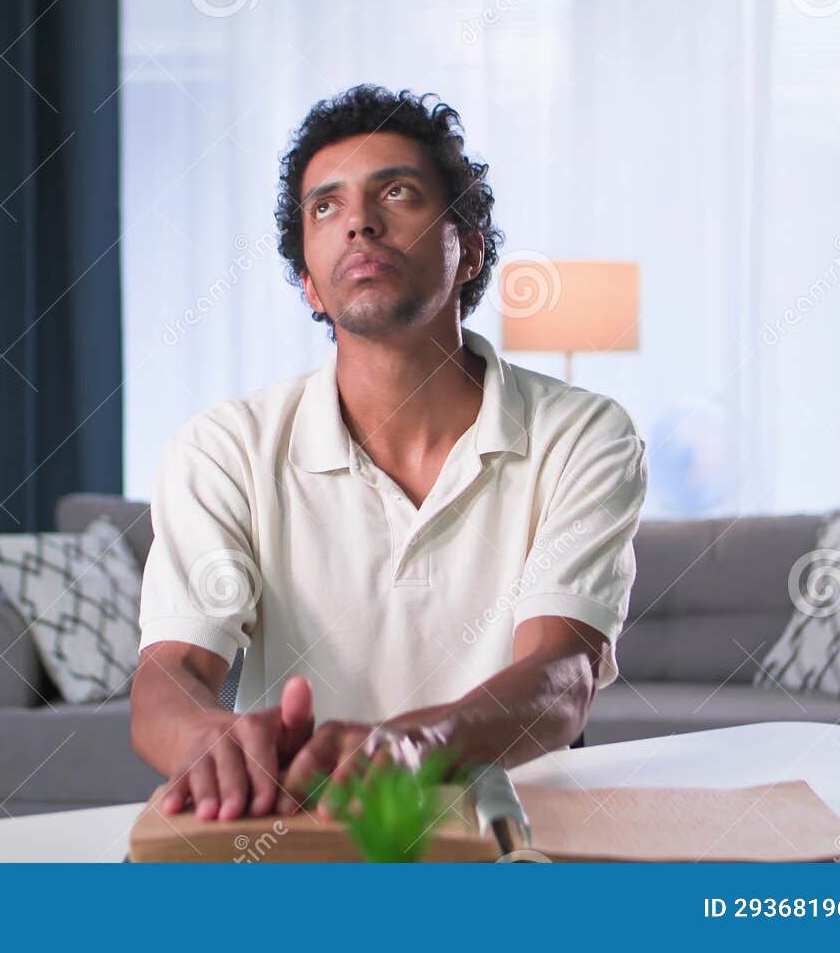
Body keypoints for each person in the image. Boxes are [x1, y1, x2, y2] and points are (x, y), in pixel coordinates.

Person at [129, 84, 646, 822]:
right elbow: (169, 674)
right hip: (297, 835)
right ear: (308, 282)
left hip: (507, 831)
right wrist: (204, 738)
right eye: (325, 207)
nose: (360, 224)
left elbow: (562, 674)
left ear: (468, 251)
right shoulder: (224, 449)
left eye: (396, 192)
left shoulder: (584, 435)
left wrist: (419, 743)